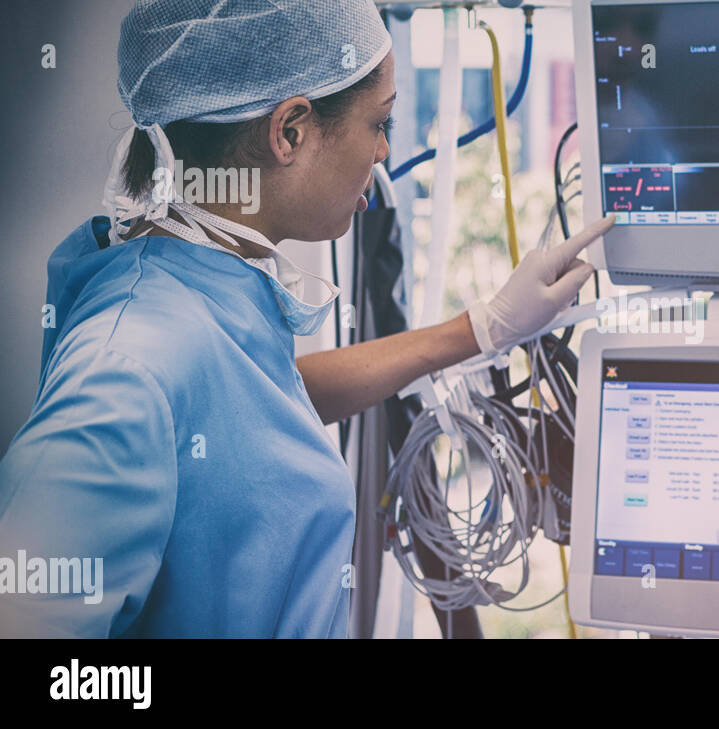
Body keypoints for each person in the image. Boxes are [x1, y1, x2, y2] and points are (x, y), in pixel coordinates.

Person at [0, 0, 611, 637]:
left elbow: (259, 405)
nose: (382, 152)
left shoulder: (201, 284)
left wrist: (482, 328)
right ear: (290, 130)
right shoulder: (125, 366)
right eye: (380, 122)